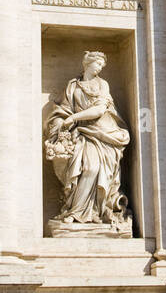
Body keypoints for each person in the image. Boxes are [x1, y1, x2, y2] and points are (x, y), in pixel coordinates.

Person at [44, 51, 131, 226]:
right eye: (97, 63)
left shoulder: (102, 84)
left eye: (102, 65)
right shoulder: (73, 86)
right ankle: (76, 211)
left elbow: (99, 111)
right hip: (81, 133)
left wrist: (73, 118)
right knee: (81, 168)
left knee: (93, 169)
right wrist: (61, 121)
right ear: (87, 64)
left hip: (104, 133)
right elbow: (64, 109)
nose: (100, 67)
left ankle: (86, 212)